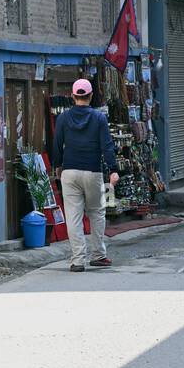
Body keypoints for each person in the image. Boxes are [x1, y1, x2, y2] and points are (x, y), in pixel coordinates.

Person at [53, 78, 119, 272]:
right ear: (90, 96)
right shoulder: (99, 118)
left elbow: (56, 144)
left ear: (73, 96)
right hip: (92, 171)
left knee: (73, 216)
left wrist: (58, 166)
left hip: (69, 171)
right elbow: (107, 146)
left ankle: (77, 261)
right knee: (97, 212)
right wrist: (113, 169)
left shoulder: (63, 118)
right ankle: (98, 255)